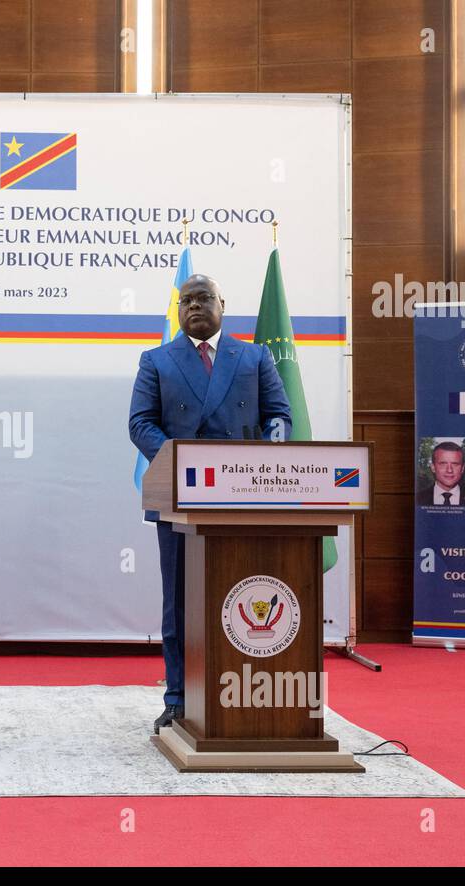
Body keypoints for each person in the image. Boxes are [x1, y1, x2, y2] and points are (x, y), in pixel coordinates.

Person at [128, 274, 292, 735]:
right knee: (178, 602)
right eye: (186, 301)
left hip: (247, 500)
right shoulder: (156, 360)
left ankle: (248, 692)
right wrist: (182, 462)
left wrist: (273, 451)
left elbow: (279, 415)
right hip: (178, 498)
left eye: (203, 298)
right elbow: (140, 423)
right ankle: (178, 698)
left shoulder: (254, 356)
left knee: (244, 594)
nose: (193, 306)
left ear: (223, 303)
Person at [416, 441, 465, 506]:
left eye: (455, 464)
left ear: (462, 468)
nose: (449, 470)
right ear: (433, 467)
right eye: (443, 464)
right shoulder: (418, 499)